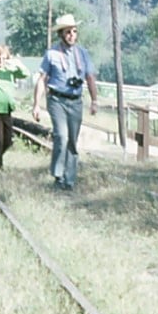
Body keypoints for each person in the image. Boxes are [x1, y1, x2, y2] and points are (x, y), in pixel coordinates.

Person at [32, 14, 99, 190]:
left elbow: (90, 78)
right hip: (57, 100)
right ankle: (58, 176)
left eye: (74, 31)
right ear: (61, 34)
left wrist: (94, 100)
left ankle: (70, 180)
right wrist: (36, 105)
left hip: (75, 101)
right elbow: (42, 79)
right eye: (68, 32)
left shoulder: (82, 54)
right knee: (61, 136)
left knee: (72, 141)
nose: (71, 35)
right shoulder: (52, 54)